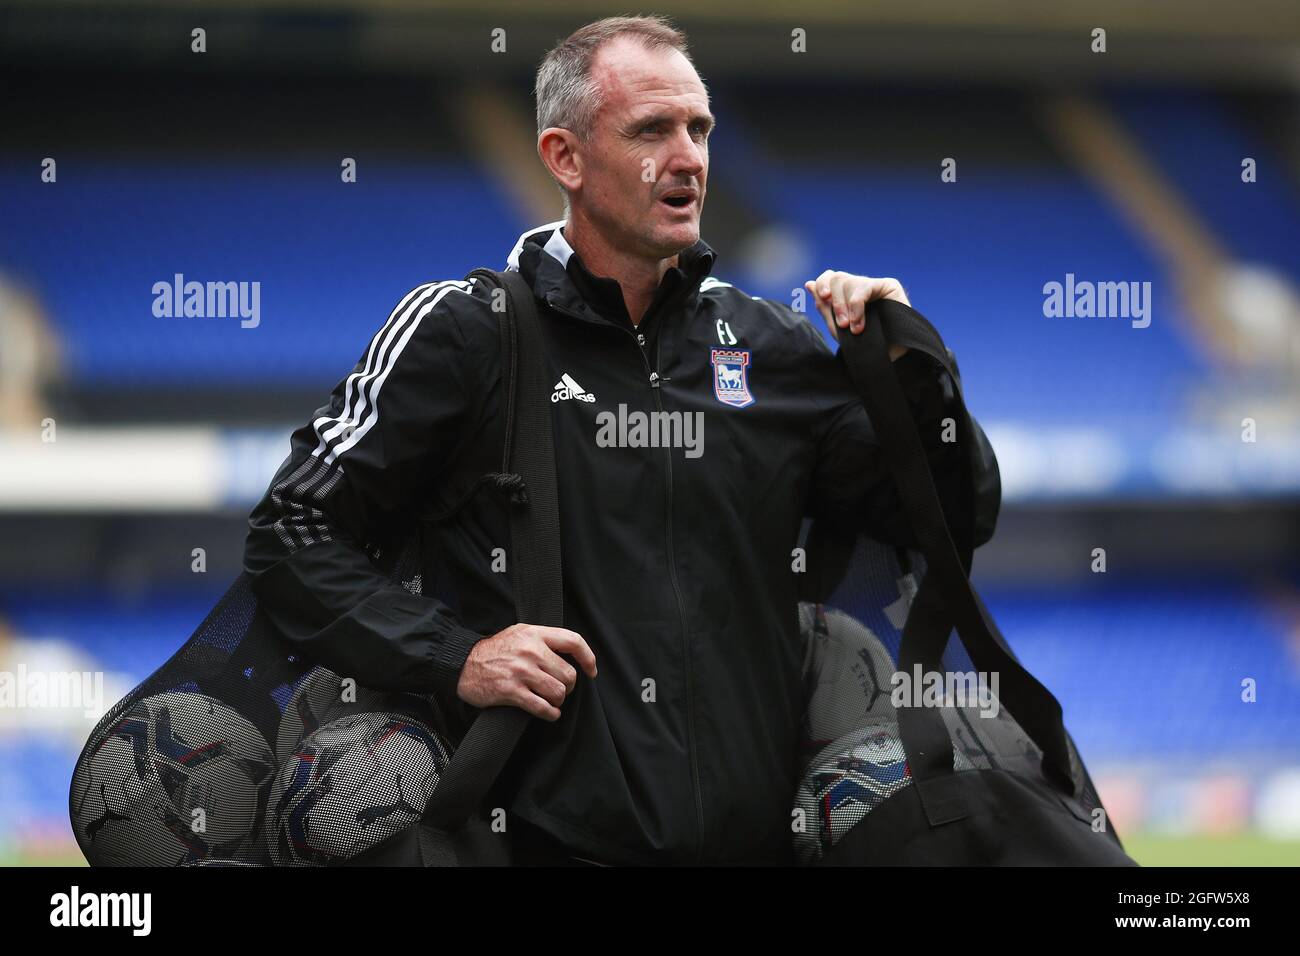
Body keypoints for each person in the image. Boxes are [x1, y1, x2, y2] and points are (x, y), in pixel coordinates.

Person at [243, 15, 1000, 866]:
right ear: (565, 157)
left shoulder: (771, 347)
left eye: (700, 129)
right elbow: (289, 532)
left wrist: (912, 371)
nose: (689, 157)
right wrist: (456, 655)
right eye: (652, 130)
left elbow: (953, 516)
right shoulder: (466, 333)